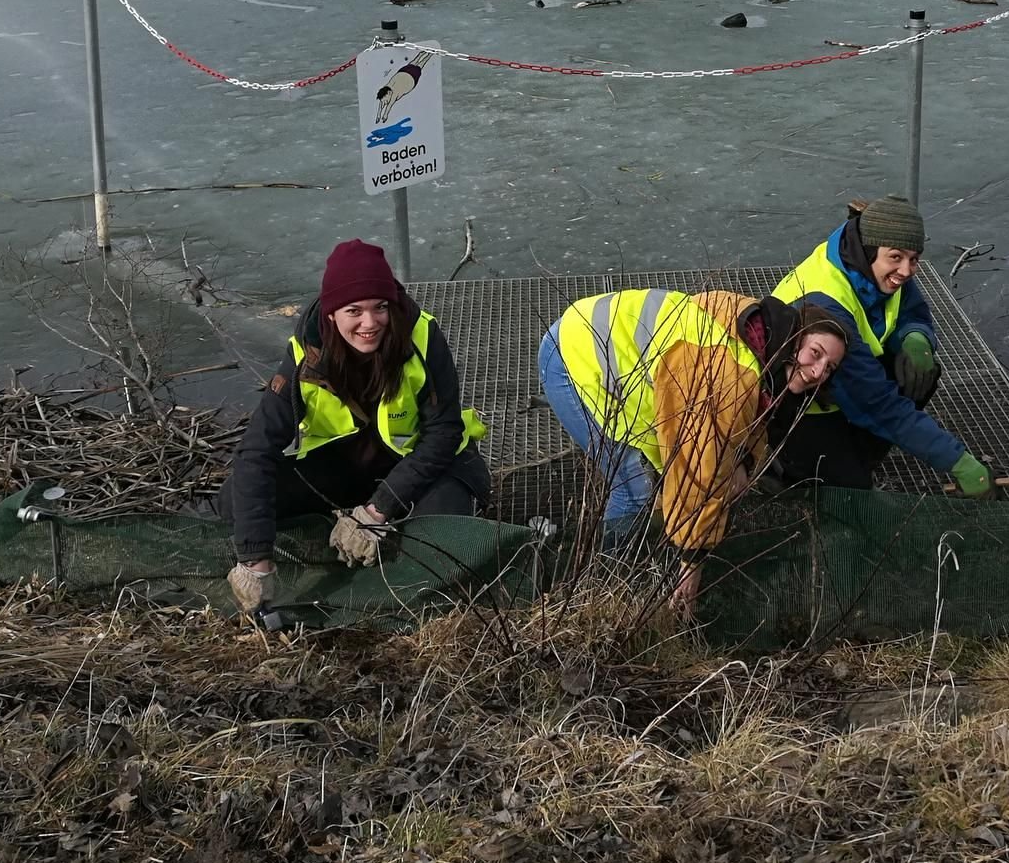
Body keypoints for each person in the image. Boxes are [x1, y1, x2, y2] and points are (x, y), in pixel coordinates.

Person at [539, 287, 848, 617]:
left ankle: (645, 556)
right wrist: (692, 565)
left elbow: (739, 426)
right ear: (795, 338)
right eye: (815, 353)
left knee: (678, 480)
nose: (817, 372)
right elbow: (699, 472)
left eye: (829, 367)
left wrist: (742, 461)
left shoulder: (761, 334)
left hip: (600, 342)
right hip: (576, 361)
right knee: (632, 492)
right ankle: (607, 593)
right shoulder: (732, 375)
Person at [222, 239, 490, 614]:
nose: (370, 323)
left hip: (415, 466)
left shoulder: (423, 337)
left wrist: (377, 511)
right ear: (332, 315)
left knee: (448, 527)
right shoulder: (305, 355)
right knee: (235, 502)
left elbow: (444, 433)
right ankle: (341, 524)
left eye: (381, 307)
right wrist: (255, 562)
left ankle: (383, 532)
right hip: (344, 468)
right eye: (354, 311)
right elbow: (257, 451)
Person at [771, 197, 995, 498]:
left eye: (914, 259)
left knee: (921, 369)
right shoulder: (829, 303)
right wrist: (959, 462)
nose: (906, 270)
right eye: (896, 258)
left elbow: (912, 310)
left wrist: (916, 337)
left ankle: (861, 453)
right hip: (798, 406)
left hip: (838, 382)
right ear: (870, 250)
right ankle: (791, 468)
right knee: (852, 495)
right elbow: (880, 404)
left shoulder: (871, 264)